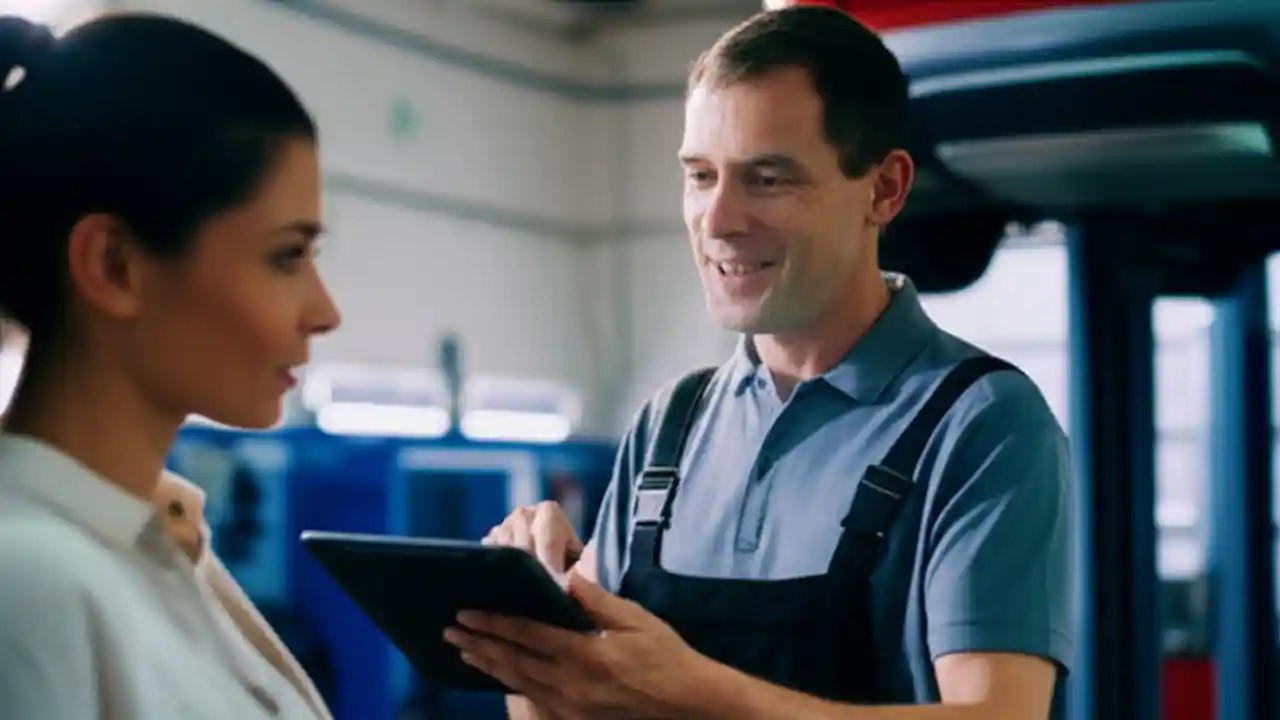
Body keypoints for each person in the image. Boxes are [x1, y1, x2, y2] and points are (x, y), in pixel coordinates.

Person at [447, 6, 1073, 719]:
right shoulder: (670, 427)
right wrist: (534, 619)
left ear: (884, 190)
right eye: (701, 175)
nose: (719, 219)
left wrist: (694, 693)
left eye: (767, 179)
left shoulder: (981, 425)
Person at [0, 12, 340, 719]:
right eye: (286, 256)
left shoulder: (163, 541)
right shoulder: (29, 584)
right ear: (114, 265)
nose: (324, 310)